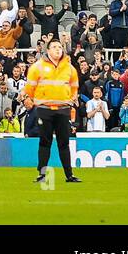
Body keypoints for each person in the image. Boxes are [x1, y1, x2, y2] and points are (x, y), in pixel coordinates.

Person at [22, 37, 82, 184]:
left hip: (63, 109)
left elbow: (75, 86)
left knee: (64, 142)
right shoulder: (37, 66)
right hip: (44, 109)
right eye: (54, 47)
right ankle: (42, 175)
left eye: (59, 47)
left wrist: (71, 98)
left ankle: (69, 175)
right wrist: (36, 100)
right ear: (47, 50)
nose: (57, 49)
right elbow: (30, 87)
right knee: (45, 142)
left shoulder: (69, 68)